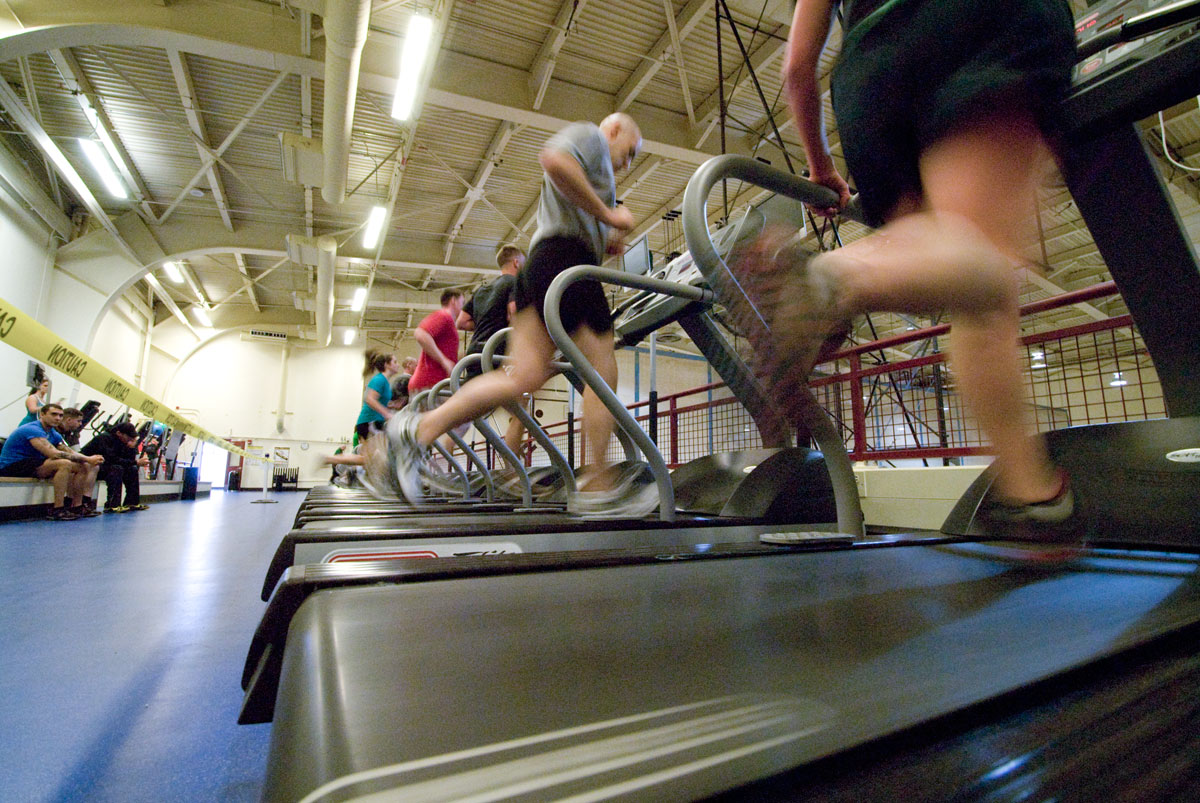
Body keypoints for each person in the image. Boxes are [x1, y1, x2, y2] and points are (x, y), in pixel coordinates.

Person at [732, 0, 1078, 539]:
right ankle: (830, 277)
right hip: (978, 26)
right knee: (986, 269)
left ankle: (1031, 495)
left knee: (957, 278)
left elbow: (798, 67)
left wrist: (822, 168)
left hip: (871, 69)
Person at [377, 112, 657, 518]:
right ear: (614, 131)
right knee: (602, 373)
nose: (626, 164)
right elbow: (555, 162)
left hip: (540, 268)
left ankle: (417, 430)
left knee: (521, 378)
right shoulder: (593, 138)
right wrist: (610, 215)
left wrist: (608, 233)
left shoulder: (599, 173)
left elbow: (573, 200)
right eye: (629, 153)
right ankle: (598, 485)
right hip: (566, 263)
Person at [458, 244, 529, 460]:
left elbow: (461, 321)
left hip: (475, 355)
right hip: (496, 356)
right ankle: (512, 472)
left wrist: (483, 324)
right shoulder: (515, 282)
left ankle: (432, 468)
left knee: (463, 418)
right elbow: (515, 312)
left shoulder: (482, 289)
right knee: (522, 408)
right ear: (516, 262)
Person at [0, 403, 104, 520]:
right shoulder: (32, 429)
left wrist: (88, 460)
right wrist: (88, 458)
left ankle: (76, 506)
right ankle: (57, 509)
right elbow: (54, 454)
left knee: (82, 466)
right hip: (13, 465)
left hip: (33, 463)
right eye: (54, 414)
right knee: (64, 464)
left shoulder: (53, 433)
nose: (58, 418)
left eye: (60, 415)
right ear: (42, 414)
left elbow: (69, 451)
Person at [81, 422, 150, 512]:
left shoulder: (122, 441)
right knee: (117, 469)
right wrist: (136, 462)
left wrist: (131, 448)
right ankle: (112, 504)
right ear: (119, 433)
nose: (130, 439)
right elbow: (110, 459)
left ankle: (132, 502)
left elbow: (127, 461)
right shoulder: (104, 438)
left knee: (132, 469)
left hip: (107, 466)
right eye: (128, 437)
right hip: (91, 466)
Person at [354, 349, 399, 443]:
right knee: (378, 455)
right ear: (387, 365)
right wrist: (386, 413)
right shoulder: (379, 379)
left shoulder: (385, 382)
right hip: (369, 422)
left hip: (375, 421)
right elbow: (370, 399)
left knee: (371, 457)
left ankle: (330, 458)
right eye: (395, 362)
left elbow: (378, 401)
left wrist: (393, 405)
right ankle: (332, 458)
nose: (398, 365)